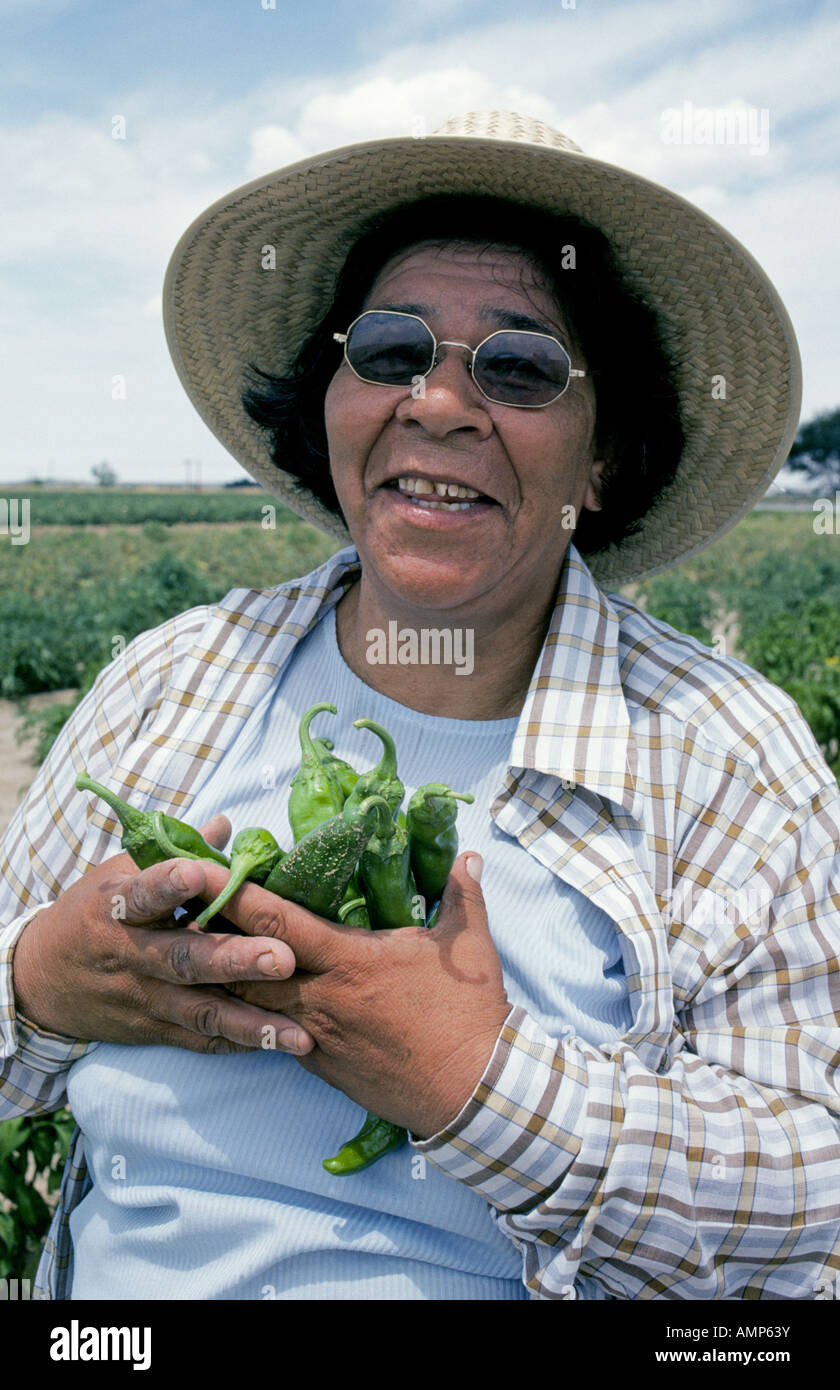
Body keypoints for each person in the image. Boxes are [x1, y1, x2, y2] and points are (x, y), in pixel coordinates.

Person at [2, 111, 839, 1302]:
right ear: (328, 400)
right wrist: (38, 978)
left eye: (521, 365)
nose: (438, 401)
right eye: (391, 350)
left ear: (604, 461)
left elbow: (814, 1211)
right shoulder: (174, 676)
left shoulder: (728, 754)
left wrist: (477, 1082)